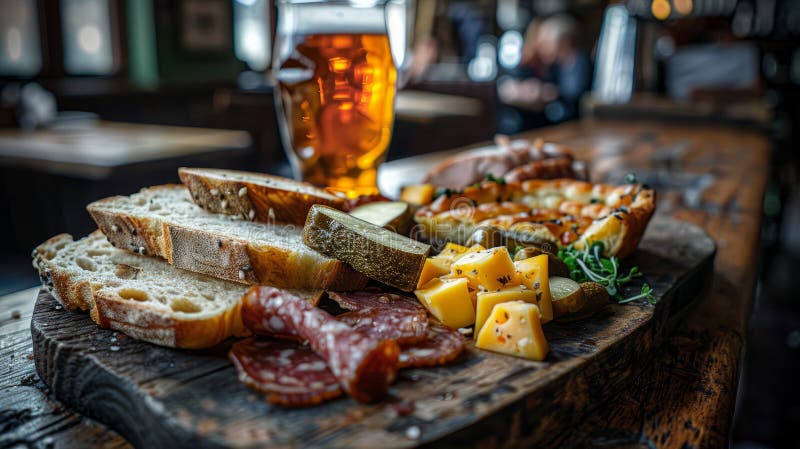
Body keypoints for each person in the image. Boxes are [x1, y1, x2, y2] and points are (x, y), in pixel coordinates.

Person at [497, 14, 592, 132]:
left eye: (546, 42)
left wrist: (546, 92)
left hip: (577, 128)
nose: (542, 48)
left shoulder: (579, 62)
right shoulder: (557, 65)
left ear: (563, 41)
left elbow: (574, 97)